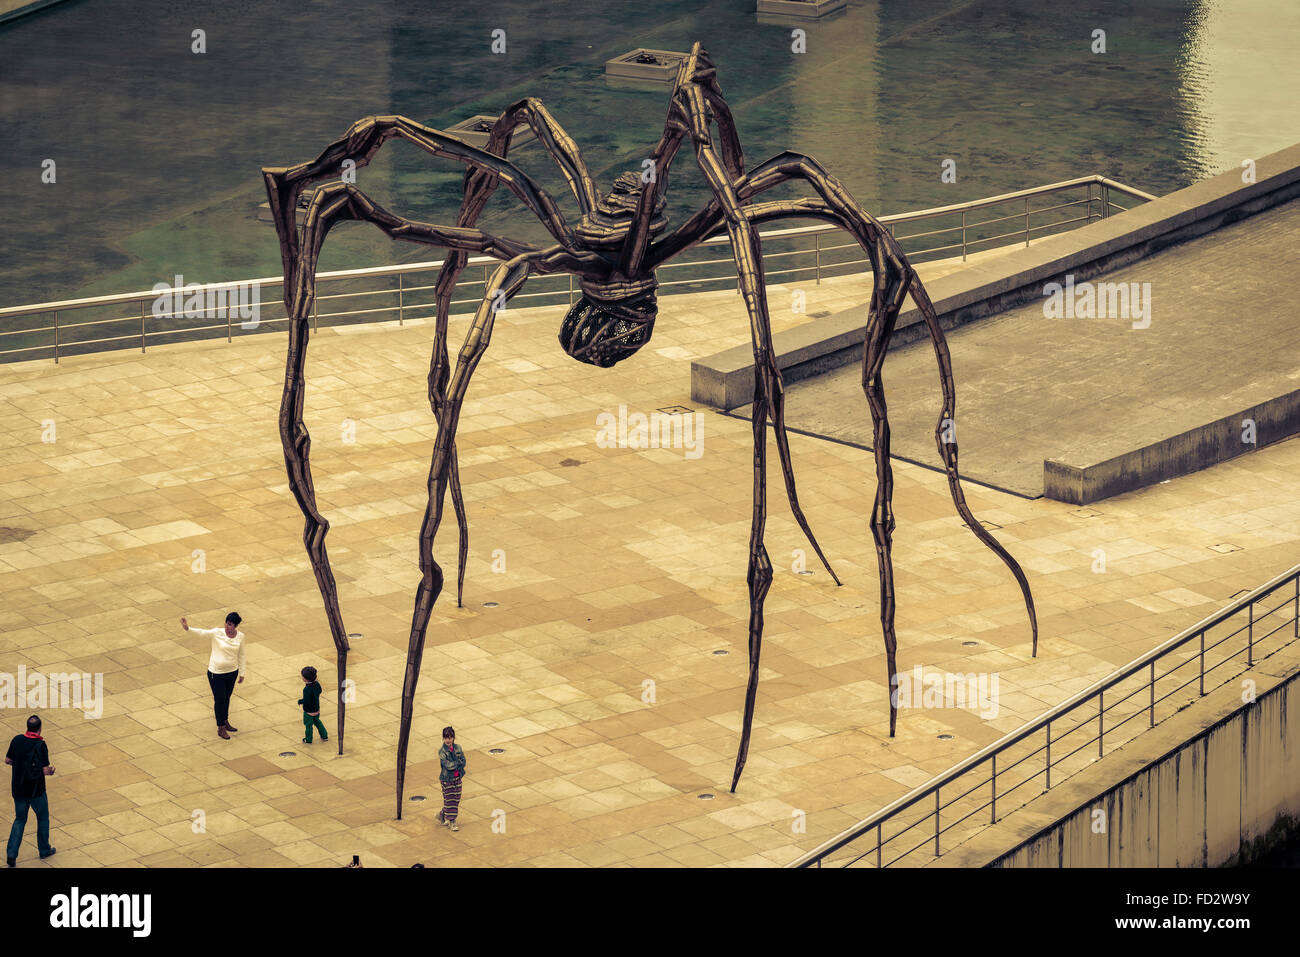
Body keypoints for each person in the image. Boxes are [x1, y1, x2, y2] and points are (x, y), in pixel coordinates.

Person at [181, 612, 247, 739]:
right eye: (226, 623)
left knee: (227, 697)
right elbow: (202, 633)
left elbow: (242, 655)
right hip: (216, 673)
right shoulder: (217, 633)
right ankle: (220, 727)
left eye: (230, 624)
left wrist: (242, 672)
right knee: (220, 699)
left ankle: (225, 720)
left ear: (236, 626)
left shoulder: (241, 637)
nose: (227, 626)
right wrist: (188, 628)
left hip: (232, 672)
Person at [5, 715, 56, 866]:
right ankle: (44, 850)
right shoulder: (40, 745)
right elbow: (45, 770)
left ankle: (11, 854)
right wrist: (51, 771)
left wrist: (20, 765)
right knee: (42, 818)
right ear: (40, 728)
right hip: (36, 791)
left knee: (20, 819)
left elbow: (8, 760)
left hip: (18, 789)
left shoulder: (17, 740)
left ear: (27, 727)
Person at [436, 726, 467, 832]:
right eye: (446, 738)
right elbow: (448, 765)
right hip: (447, 779)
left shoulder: (458, 748)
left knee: (456, 798)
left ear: (453, 738)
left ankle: (442, 814)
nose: (448, 740)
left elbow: (464, 760)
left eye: (450, 737)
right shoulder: (442, 752)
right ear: (443, 738)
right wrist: (458, 763)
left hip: (457, 777)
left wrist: (459, 763)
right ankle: (452, 821)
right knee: (450, 800)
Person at [298, 666, 327, 744]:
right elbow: (320, 691)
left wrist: (300, 701)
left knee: (308, 726)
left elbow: (306, 701)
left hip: (309, 711)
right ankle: (324, 736)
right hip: (317, 708)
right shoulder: (317, 684)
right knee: (318, 722)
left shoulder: (306, 689)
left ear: (305, 679)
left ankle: (308, 739)